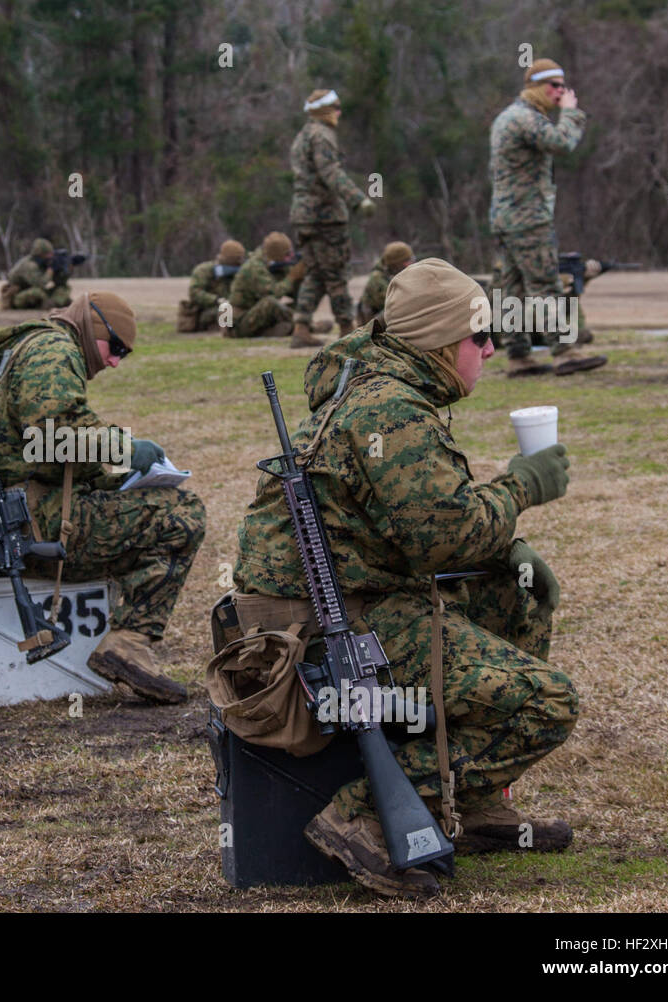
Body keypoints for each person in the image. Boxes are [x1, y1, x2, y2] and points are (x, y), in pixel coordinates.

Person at [230, 258, 578, 898]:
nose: (492, 348)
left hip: (344, 596)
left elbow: (422, 529)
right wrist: (524, 486)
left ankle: (475, 804)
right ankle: (362, 813)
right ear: (443, 343)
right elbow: (447, 535)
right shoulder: (391, 412)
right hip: (328, 624)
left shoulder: (376, 386)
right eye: (480, 337)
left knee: (514, 589)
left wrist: (512, 554)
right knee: (548, 703)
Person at [0, 291, 206, 704]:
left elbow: (44, 447)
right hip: (29, 524)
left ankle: (127, 639)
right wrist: (126, 449)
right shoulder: (54, 350)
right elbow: (51, 438)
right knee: (183, 514)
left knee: (148, 505)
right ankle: (129, 643)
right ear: (94, 328)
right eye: (115, 349)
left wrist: (115, 476)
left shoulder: (41, 347)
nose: (114, 362)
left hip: (19, 514)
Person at [489, 58, 605, 377]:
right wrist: (571, 112)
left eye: (563, 86)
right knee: (545, 285)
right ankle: (565, 351)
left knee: (511, 288)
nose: (561, 92)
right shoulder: (524, 118)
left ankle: (518, 355)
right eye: (555, 86)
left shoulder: (508, 117)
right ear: (536, 87)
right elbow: (561, 143)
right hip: (527, 218)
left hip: (506, 217)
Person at [289, 88, 376, 343]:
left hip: (303, 215)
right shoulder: (322, 135)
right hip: (325, 216)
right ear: (325, 110)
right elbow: (331, 172)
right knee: (337, 272)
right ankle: (347, 328)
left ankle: (301, 327)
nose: (339, 112)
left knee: (315, 272)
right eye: (336, 107)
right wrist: (358, 199)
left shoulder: (303, 135)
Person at [228, 232, 305, 342]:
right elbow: (274, 293)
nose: (291, 257)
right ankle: (304, 326)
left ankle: (289, 327)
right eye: (287, 254)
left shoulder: (273, 264)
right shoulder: (254, 267)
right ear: (277, 255)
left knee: (286, 307)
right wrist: (292, 277)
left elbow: (291, 290)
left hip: (255, 318)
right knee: (270, 302)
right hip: (238, 323)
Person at [179, 239, 244, 332]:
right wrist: (216, 300)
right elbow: (194, 292)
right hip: (207, 311)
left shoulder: (239, 273)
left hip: (230, 308)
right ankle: (227, 331)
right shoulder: (204, 271)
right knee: (226, 309)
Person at [355, 241, 414, 328]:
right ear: (396, 263)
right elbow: (395, 304)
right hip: (371, 328)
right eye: (406, 261)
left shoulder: (393, 273)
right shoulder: (377, 279)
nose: (410, 264)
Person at [4, 238, 72, 310]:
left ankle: (55, 302)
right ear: (41, 254)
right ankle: (51, 303)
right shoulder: (29, 265)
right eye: (49, 254)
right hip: (16, 297)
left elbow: (59, 282)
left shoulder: (43, 263)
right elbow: (41, 284)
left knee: (64, 288)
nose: (51, 256)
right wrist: (51, 269)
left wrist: (65, 269)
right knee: (37, 292)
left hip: (31, 292)